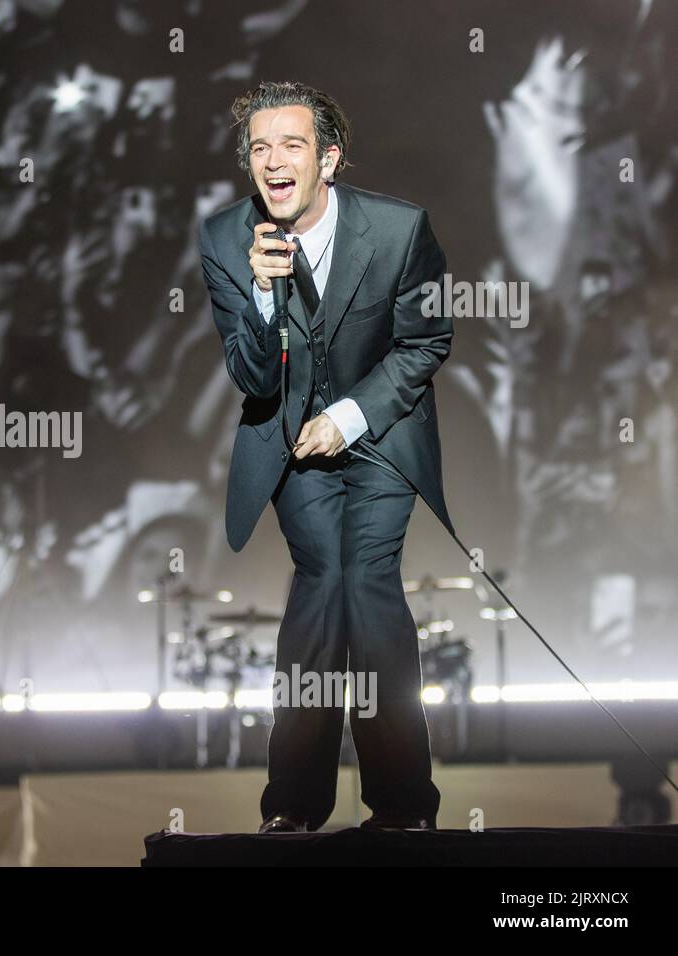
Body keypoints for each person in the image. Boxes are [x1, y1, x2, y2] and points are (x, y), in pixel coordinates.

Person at [198, 81, 453, 832]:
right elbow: (248, 375)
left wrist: (349, 416)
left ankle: (404, 808)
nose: (273, 162)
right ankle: (295, 808)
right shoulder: (224, 239)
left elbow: (426, 342)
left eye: (293, 145)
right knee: (325, 580)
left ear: (329, 159)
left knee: (367, 582)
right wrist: (264, 295)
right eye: (259, 149)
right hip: (292, 442)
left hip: (379, 434)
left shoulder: (401, 231)